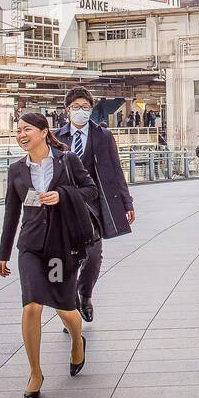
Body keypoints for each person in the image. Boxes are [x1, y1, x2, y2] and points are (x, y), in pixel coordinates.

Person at [0, 112, 98, 398]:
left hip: (60, 246)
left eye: (26, 129)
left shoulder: (67, 160)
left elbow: (90, 190)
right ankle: (35, 372)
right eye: (18, 130)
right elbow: (12, 213)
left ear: (43, 131)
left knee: (65, 308)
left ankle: (77, 341)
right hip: (30, 246)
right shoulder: (17, 169)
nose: (21, 135)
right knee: (31, 305)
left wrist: (62, 196)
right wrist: (3, 253)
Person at [56, 87, 135, 323]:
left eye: (86, 107)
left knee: (93, 256)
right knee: (66, 257)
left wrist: (126, 201)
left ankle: (85, 294)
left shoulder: (103, 135)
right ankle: (70, 307)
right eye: (76, 107)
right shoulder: (57, 137)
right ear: (67, 110)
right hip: (65, 205)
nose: (81, 112)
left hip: (95, 203)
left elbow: (115, 168)